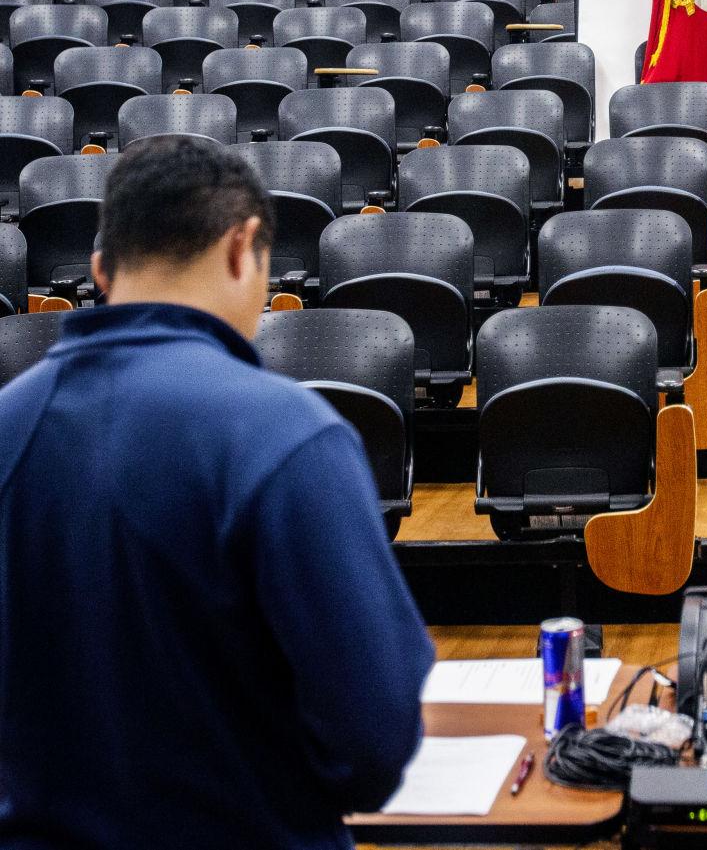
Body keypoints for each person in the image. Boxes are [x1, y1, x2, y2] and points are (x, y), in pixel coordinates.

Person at [0, 137, 434, 850]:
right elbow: (373, 742)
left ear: (102, 269)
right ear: (242, 247)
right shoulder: (288, 431)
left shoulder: (8, 425)